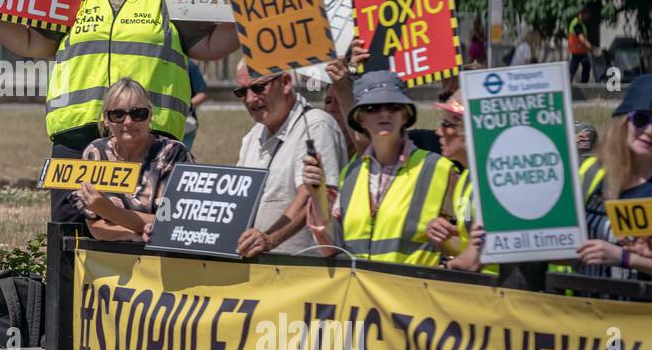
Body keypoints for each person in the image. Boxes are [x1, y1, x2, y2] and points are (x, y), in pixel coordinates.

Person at [0, 0, 239, 222]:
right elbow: (33, 44)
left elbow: (208, 46)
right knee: (71, 236)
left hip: (148, 137)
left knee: (147, 230)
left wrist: (251, 12)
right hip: (77, 136)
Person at [302, 71, 456, 265]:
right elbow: (332, 247)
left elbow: (466, 242)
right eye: (372, 108)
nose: (384, 113)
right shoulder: (350, 173)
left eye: (393, 106)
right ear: (360, 119)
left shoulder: (439, 169)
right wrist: (317, 195)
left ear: (406, 114)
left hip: (415, 292)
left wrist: (450, 242)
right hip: (358, 292)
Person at [233, 60, 346, 258]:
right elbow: (238, 199)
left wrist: (270, 239)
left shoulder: (315, 125)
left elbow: (312, 197)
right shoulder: (253, 136)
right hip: (258, 270)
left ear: (285, 83)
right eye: (242, 92)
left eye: (258, 87)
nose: (250, 99)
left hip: (302, 272)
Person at [570, 75, 652, 279]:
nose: (649, 131)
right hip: (578, 306)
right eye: (641, 119)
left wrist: (623, 257)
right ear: (623, 120)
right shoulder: (590, 171)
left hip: (635, 309)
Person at [74, 79, 191, 242]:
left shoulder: (173, 154)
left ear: (150, 116)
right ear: (106, 119)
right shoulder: (95, 154)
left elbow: (175, 222)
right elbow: (95, 224)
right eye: (118, 115)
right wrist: (132, 235)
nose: (128, 122)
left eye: (138, 114)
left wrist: (110, 211)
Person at [425, 91, 496, 275]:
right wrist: (446, 238)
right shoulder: (465, 178)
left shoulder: (495, 181)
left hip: (512, 295)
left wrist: (446, 267)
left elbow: (472, 261)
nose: (438, 132)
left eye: (447, 124)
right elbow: (466, 246)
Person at [183, 60, 209, 153]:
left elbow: (203, 93)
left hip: (186, 126)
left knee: (179, 164)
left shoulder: (189, 65)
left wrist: (184, 107)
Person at [567, 7, 593, 84]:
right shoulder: (576, 23)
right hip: (576, 49)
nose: (587, 16)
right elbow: (581, 37)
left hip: (580, 50)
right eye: (586, 14)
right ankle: (569, 83)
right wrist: (590, 46)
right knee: (574, 68)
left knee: (585, 66)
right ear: (581, 14)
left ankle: (583, 83)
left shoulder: (580, 23)